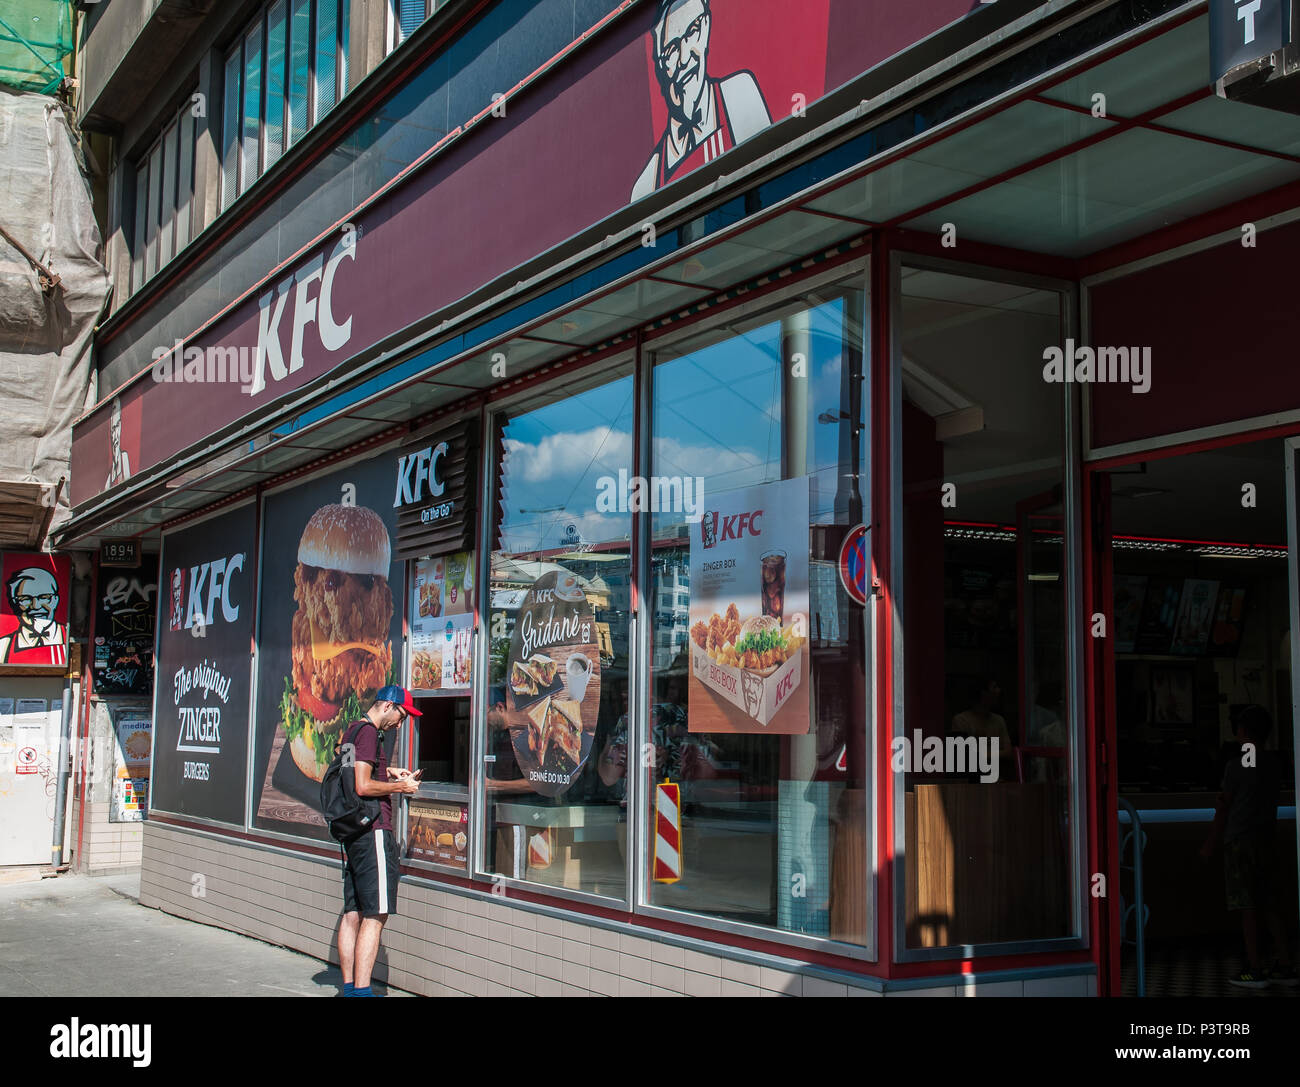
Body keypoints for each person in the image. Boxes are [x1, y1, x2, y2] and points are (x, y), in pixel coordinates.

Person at [630, 0, 772, 201]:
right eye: (672, 49)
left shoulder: (738, 95)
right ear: (661, 65)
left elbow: (765, 185)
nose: (685, 57)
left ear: (705, 30)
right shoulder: (647, 183)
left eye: (692, 32)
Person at [1199, 705, 1297, 988]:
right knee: (1270, 903)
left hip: (1240, 842)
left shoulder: (1236, 765)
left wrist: (1209, 845)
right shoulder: (1274, 763)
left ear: (1242, 731)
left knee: (1247, 905)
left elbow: (1225, 807)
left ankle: (1254, 968)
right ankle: (1285, 964)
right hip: (1267, 838)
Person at [336, 685, 422, 997]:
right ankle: (361, 993)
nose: (402, 722)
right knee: (376, 914)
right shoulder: (370, 733)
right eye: (403, 714)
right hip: (372, 830)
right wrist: (400, 789)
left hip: (353, 833)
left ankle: (349, 989)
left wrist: (388, 772)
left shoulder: (352, 730)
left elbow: (350, 769)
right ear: (388, 706)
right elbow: (361, 785)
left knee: (353, 913)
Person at [0, 566, 67, 665]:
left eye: (44, 597)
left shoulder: (70, 639)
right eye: (25, 599)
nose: (36, 606)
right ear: (15, 603)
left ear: (56, 600)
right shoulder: (3, 645)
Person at [950, 675, 1014, 772]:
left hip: (997, 778)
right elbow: (962, 756)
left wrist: (979, 753)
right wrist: (997, 753)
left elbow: (1009, 752)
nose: (999, 691)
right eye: (994, 687)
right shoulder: (961, 720)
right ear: (983, 693)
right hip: (970, 781)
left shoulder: (999, 720)